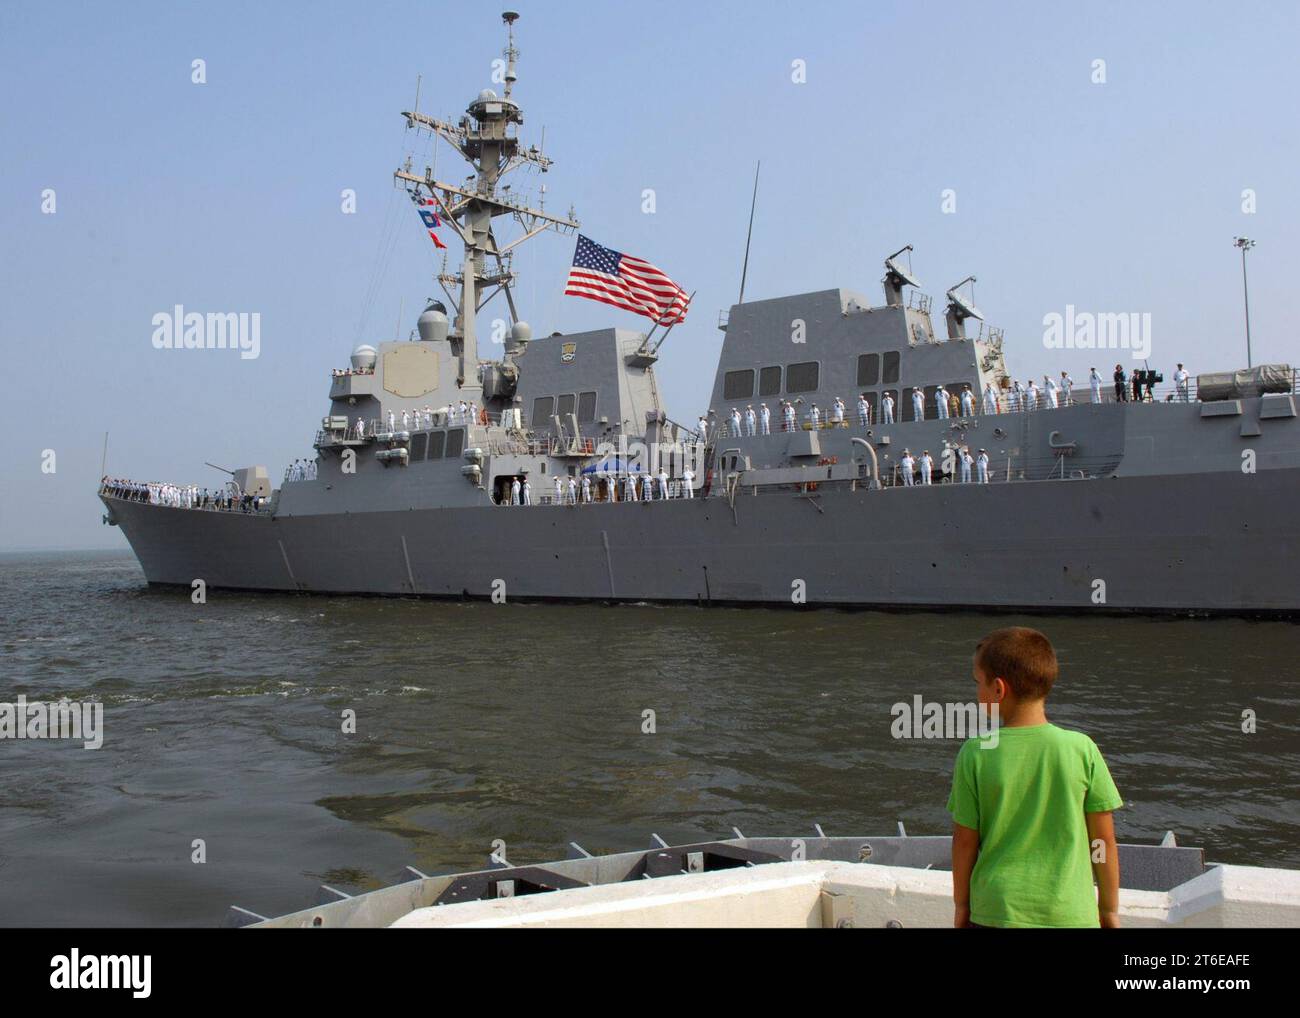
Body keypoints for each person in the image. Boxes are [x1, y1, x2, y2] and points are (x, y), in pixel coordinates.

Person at [948, 627, 1123, 928]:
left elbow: (964, 842)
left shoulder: (975, 754)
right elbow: (1102, 841)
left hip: (996, 912)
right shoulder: (1082, 750)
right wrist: (1108, 910)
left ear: (999, 689)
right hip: (1070, 914)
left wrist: (962, 904)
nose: (977, 694)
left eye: (978, 683)